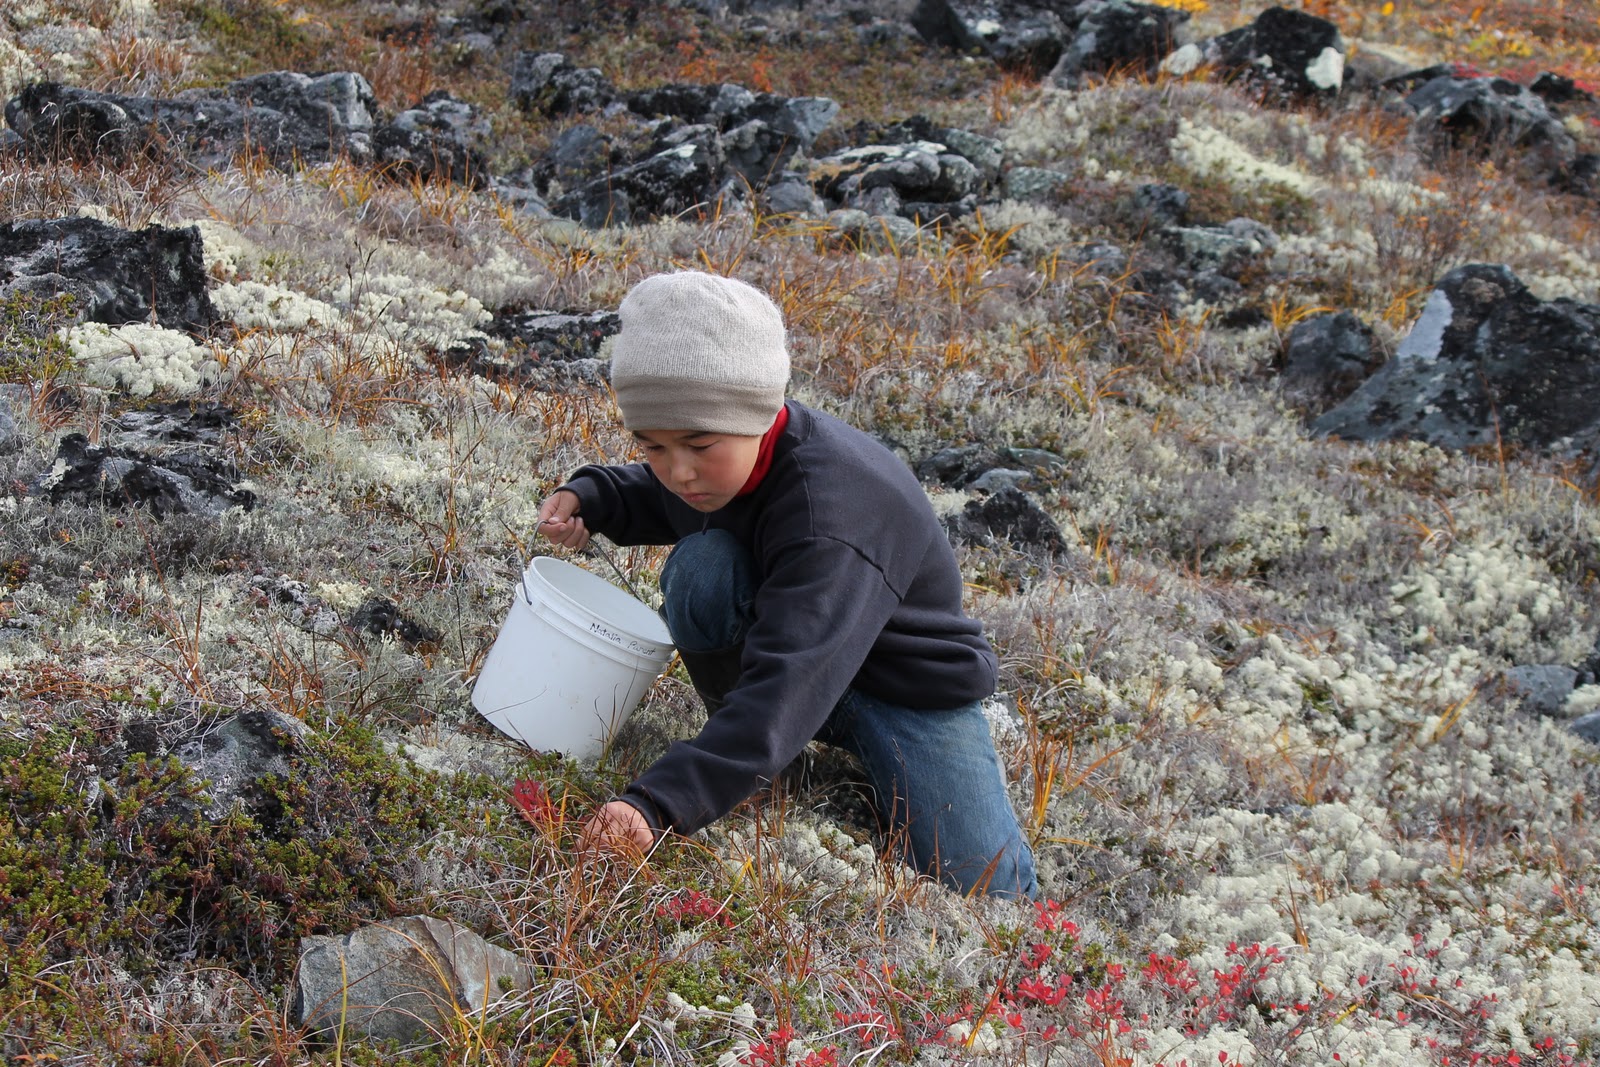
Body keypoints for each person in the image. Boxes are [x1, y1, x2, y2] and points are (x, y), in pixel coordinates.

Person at [537, 270, 1038, 900]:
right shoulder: (721, 462)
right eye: (653, 446)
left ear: (759, 412)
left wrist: (658, 805)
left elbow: (787, 684)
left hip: (906, 691)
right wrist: (592, 496)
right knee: (703, 567)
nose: (679, 471)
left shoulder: (831, 512)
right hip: (801, 653)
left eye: (697, 443)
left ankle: (763, 754)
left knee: (986, 890)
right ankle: (765, 768)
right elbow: (665, 498)